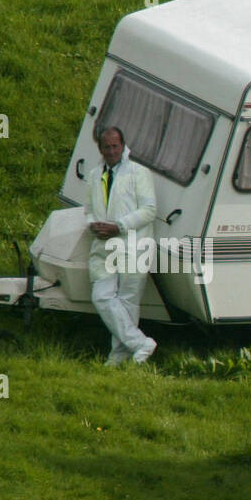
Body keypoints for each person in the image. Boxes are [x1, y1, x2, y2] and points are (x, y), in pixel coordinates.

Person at [85, 127, 158, 365]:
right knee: (102, 296)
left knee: (127, 303)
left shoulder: (139, 173)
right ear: (100, 148)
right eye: (107, 146)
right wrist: (93, 225)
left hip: (133, 247)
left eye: (115, 146)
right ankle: (141, 343)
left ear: (123, 145)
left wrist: (119, 226)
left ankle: (118, 356)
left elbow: (149, 210)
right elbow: (88, 211)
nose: (111, 151)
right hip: (103, 248)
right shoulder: (95, 175)